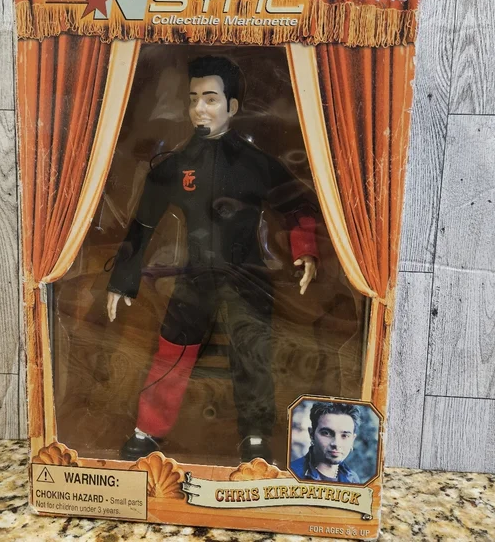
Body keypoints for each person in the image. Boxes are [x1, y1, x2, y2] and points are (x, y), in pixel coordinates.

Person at [106, 55, 319, 463]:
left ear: (232, 106)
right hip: (195, 273)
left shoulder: (257, 164)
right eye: (193, 99)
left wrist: (305, 249)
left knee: (252, 353)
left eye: (210, 98)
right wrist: (122, 278)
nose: (199, 109)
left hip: (248, 275)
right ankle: (148, 431)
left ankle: (255, 436)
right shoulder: (175, 166)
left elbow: (297, 205)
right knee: (172, 348)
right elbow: (143, 224)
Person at [290, 402, 361, 483]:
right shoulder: (291, 474)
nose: (336, 443)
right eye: (326, 433)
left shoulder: (352, 479)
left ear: (352, 440)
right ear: (311, 434)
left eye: (344, 435)